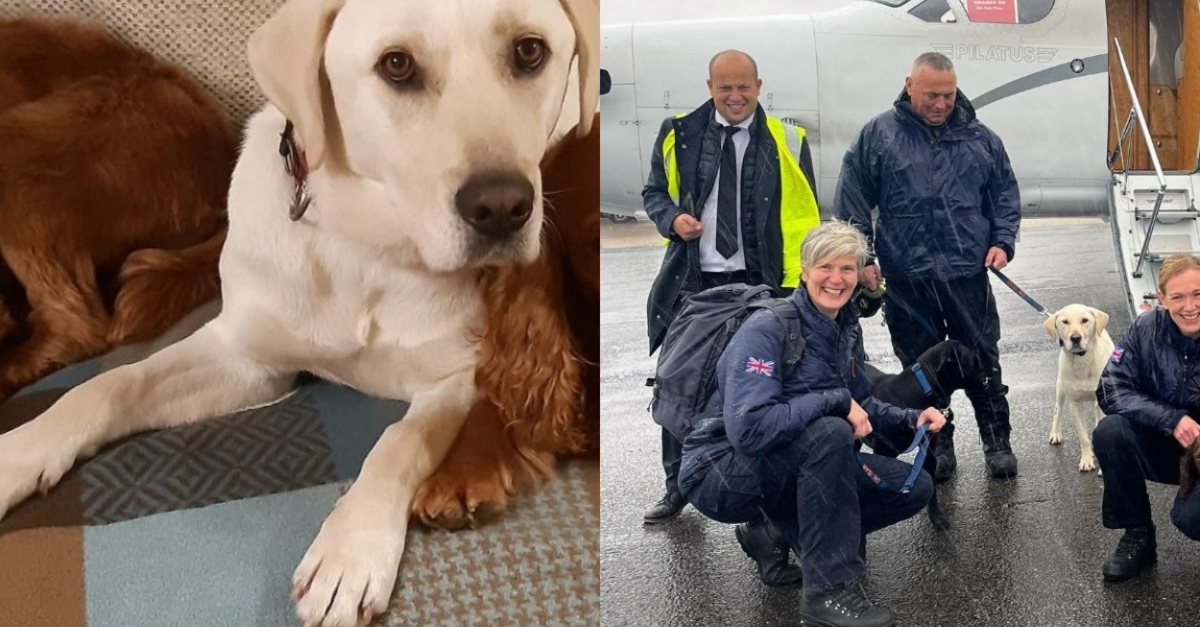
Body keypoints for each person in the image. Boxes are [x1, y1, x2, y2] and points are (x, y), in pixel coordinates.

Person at [677, 221, 944, 626]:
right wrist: (835, 400)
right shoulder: (767, 328)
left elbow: (863, 400)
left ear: (859, 275)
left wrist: (912, 417)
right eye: (825, 267)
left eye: (847, 269)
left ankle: (782, 532)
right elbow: (750, 430)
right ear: (804, 270)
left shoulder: (845, 328)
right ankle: (826, 596)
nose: (836, 279)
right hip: (720, 471)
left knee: (914, 487)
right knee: (831, 432)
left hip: (792, 462)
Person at [641, 49, 821, 525]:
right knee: (681, 383)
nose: (735, 96)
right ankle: (676, 485)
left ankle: (763, 497)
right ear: (710, 88)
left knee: (761, 385)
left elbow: (807, 211)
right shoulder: (678, 133)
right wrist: (671, 219)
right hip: (695, 283)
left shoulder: (787, 138)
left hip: (760, 284)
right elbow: (654, 193)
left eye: (744, 87)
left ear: (759, 86)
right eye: (726, 88)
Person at [834, 51, 1021, 480]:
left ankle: (998, 442)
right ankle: (938, 447)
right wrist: (863, 258)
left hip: (966, 274)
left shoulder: (981, 139)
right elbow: (853, 199)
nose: (940, 104)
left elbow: (1004, 196)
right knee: (920, 371)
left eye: (949, 95)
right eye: (931, 95)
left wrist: (1002, 241)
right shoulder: (878, 136)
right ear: (909, 85)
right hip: (907, 279)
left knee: (982, 360)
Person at [1094, 253, 1200, 582]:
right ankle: (1138, 534)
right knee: (1110, 432)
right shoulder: (1144, 328)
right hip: (1163, 447)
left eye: (1198, 294)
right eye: (1178, 296)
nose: (1190, 306)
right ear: (1162, 298)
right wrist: (1170, 419)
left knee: (1192, 519)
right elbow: (1111, 387)